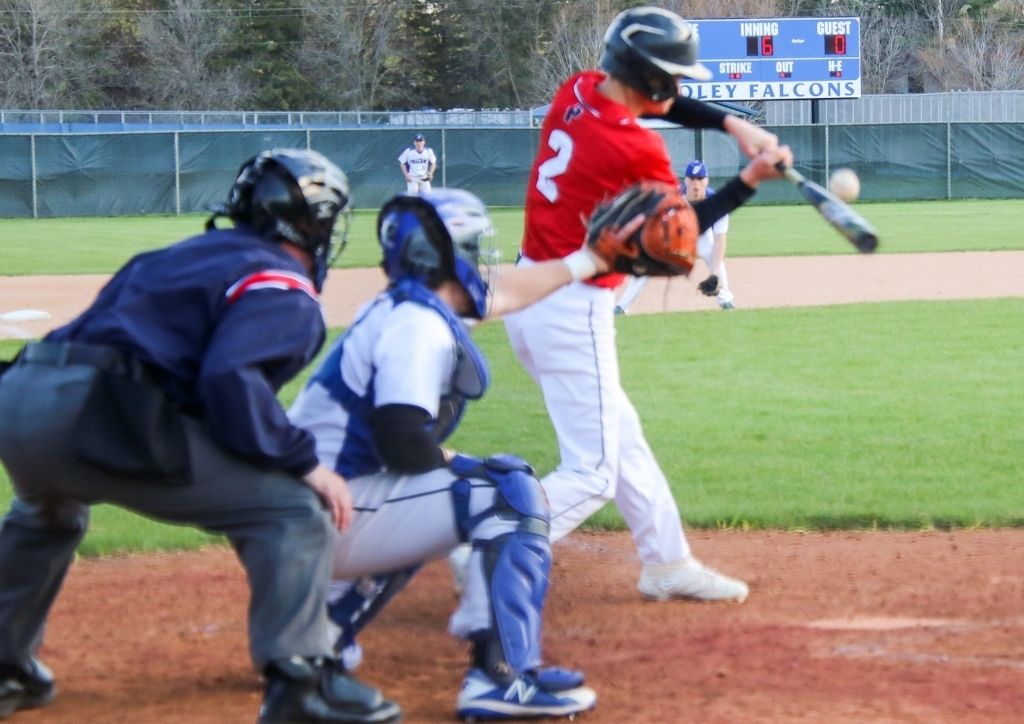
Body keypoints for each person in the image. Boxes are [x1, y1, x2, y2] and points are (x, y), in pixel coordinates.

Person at [0, 149, 401, 724]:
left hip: (20, 397)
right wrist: (303, 463)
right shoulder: (281, 280)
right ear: (312, 222)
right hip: (93, 412)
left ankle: (6, 666)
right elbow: (229, 379)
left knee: (46, 513)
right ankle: (301, 680)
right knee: (291, 511)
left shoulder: (187, 253)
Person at [288, 188, 616, 720]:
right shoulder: (415, 326)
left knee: (441, 500)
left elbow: (504, 295)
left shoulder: (409, 309)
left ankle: (317, 635)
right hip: (326, 512)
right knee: (506, 491)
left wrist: (589, 261)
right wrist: (461, 463)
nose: (483, 259)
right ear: (441, 258)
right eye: (472, 246)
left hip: (311, 512)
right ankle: (501, 677)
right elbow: (401, 437)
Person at [501, 6, 793, 604]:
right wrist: (749, 181)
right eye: (675, 77)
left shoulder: (579, 89)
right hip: (572, 309)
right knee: (594, 470)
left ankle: (667, 562)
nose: (681, 89)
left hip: (534, 289)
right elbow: (679, 241)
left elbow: (660, 103)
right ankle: (491, 550)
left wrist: (733, 126)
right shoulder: (632, 150)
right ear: (653, 79)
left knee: (623, 440)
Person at [615, 159, 736, 314]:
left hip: (703, 236)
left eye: (700, 179)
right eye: (692, 179)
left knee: (714, 255)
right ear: (685, 180)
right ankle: (621, 307)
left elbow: (720, 243)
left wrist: (713, 274)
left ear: (706, 181)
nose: (696, 184)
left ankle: (726, 301)